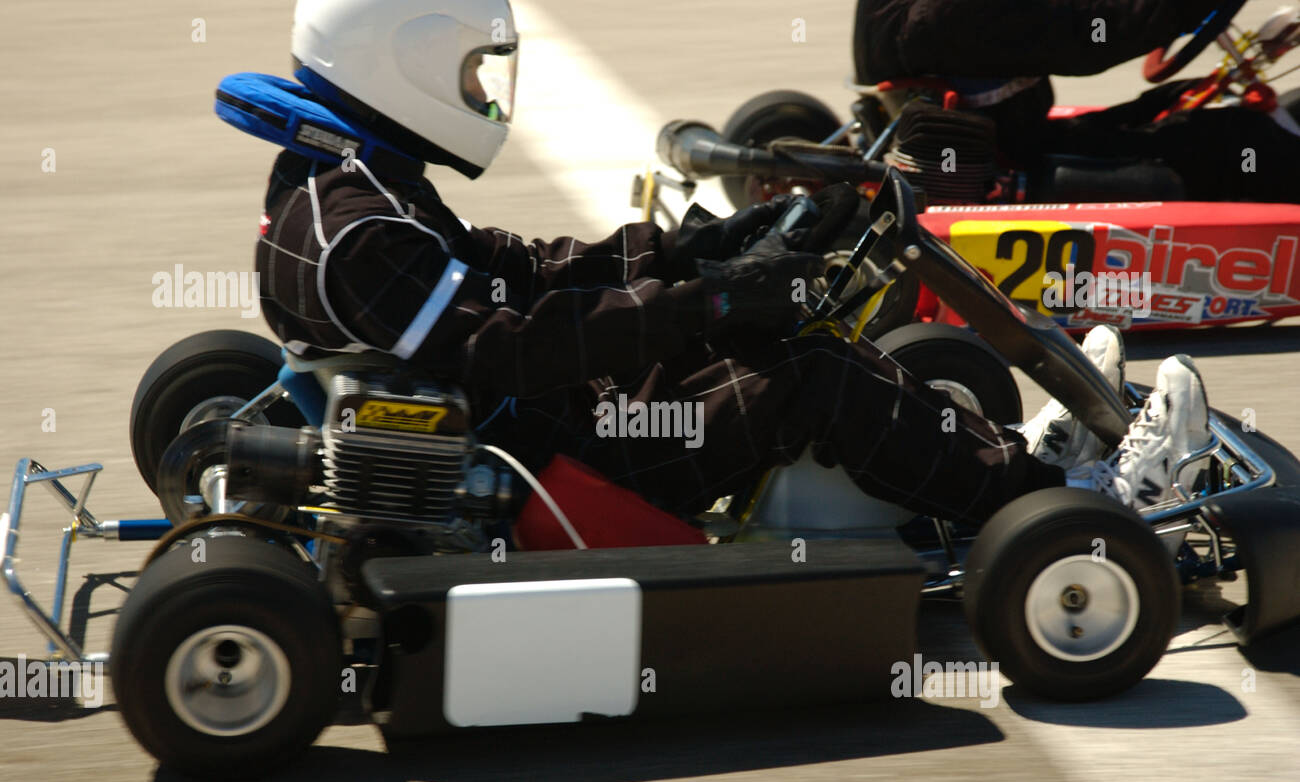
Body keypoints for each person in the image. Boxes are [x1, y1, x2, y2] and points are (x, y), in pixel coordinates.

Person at [255, 0, 1208, 530]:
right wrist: (707, 301)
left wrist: (689, 251)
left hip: (543, 417)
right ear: (400, 68)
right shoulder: (363, 233)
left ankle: (996, 460)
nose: (482, 96)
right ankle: (1070, 509)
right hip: (560, 457)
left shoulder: (338, 186)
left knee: (774, 319)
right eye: (470, 75)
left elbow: (512, 272)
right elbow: (514, 347)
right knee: (807, 370)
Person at [853, 0, 1300, 202]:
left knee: (1177, 102)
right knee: (1237, 141)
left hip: (1014, 135)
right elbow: (1095, 35)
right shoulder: (953, 14)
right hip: (1012, 161)